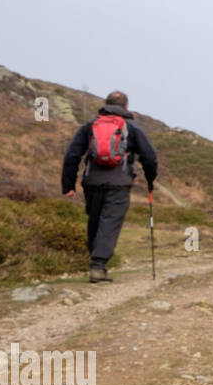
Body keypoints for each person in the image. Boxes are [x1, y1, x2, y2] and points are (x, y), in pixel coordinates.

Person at [61, 91, 159, 283]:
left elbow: (72, 155)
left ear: (105, 105)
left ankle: (95, 261)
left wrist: (68, 185)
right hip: (119, 184)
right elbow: (149, 156)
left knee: (95, 221)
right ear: (126, 107)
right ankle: (98, 266)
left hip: (92, 183)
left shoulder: (90, 125)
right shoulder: (132, 127)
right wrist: (150, 179)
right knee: (110, 223)